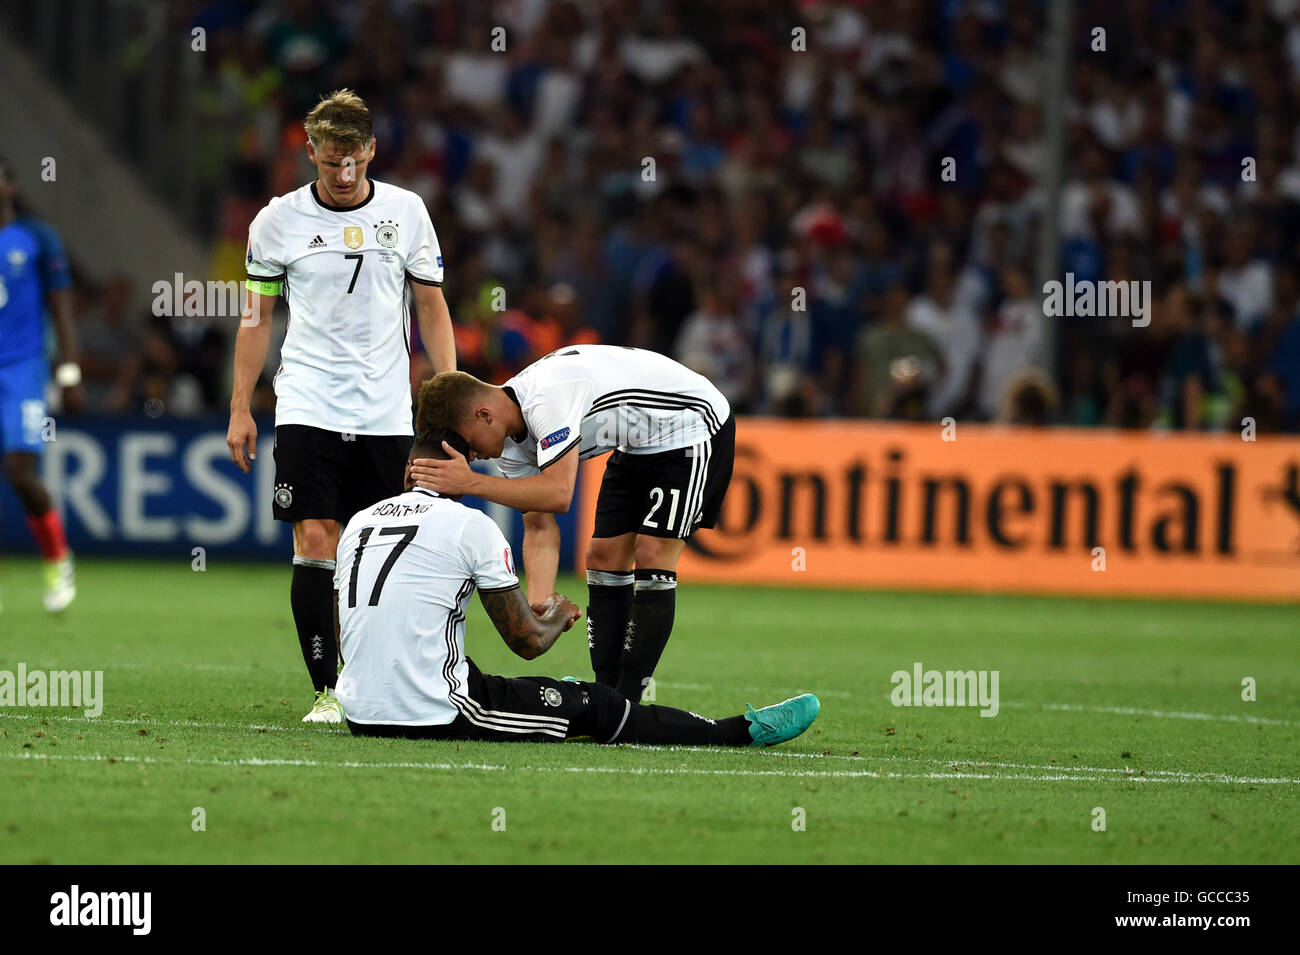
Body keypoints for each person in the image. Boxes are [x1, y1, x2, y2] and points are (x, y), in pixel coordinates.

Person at [335, 429, 819, 747]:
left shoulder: (358, 523)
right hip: (434, 712)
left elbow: (347, 632)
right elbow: (526, 643)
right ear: (462, 470)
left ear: (407, 473)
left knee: (530, 692)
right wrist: (558, 616)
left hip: (358, 708)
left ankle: (560, 701)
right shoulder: (468, 525)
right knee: (599, 705)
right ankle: (740, 732)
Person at [226, 90, 456, 722]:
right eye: (333, 164)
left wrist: (451, 392)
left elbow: (432, 306)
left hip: (386, 411)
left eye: (354, 161)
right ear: (312, 155)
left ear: (372, 150)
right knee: (317, 537)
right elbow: (256, 317)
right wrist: (241, 406)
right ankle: (328, 691)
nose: (346, 175)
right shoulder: (277, 221)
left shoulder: (407, 212)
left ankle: (379, 679)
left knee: (377, 547)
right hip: (307, 402)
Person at [410, 344, 734, 703]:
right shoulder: (511, 445)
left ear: (484, 414)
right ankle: (607, 695)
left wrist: (470, 483)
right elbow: (538, 527)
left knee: (652, 551)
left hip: (691, 423)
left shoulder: (547, 399)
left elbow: (559, 494)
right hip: (637, 442)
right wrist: (540, 603)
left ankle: (627, 699)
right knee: (602, 557)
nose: (471, 456)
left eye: (467, 444)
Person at [0, 156, 81, 613]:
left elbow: (61, 307)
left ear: (10, 187)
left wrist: (69, 373)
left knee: (18, 471)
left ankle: (57, 558)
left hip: (22, 369)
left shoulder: (35, 238)